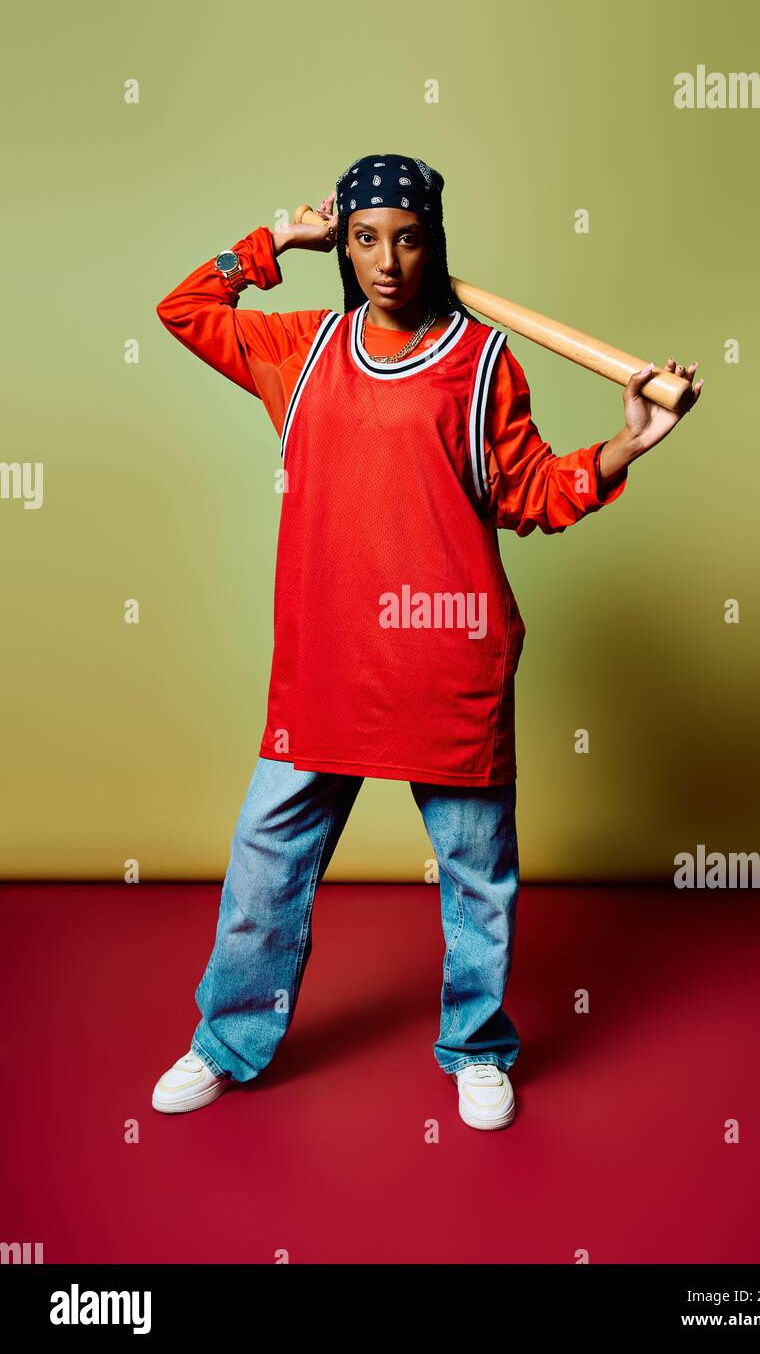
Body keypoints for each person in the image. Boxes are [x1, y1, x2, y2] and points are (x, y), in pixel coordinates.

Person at [150, 152, 702, 1129]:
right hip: (323, 673)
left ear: (432, 241)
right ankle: (226, 1039)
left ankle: (477, 1047)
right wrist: (273, 240)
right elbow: (185, 311)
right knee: (262, 867)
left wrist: (626, 444)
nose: (387, 260)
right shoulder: (301, 350)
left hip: (448, 668)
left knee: (476, 879)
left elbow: (529, 494)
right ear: (344, 246)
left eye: (407, 237)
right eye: (365, 238)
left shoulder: (485, 363)